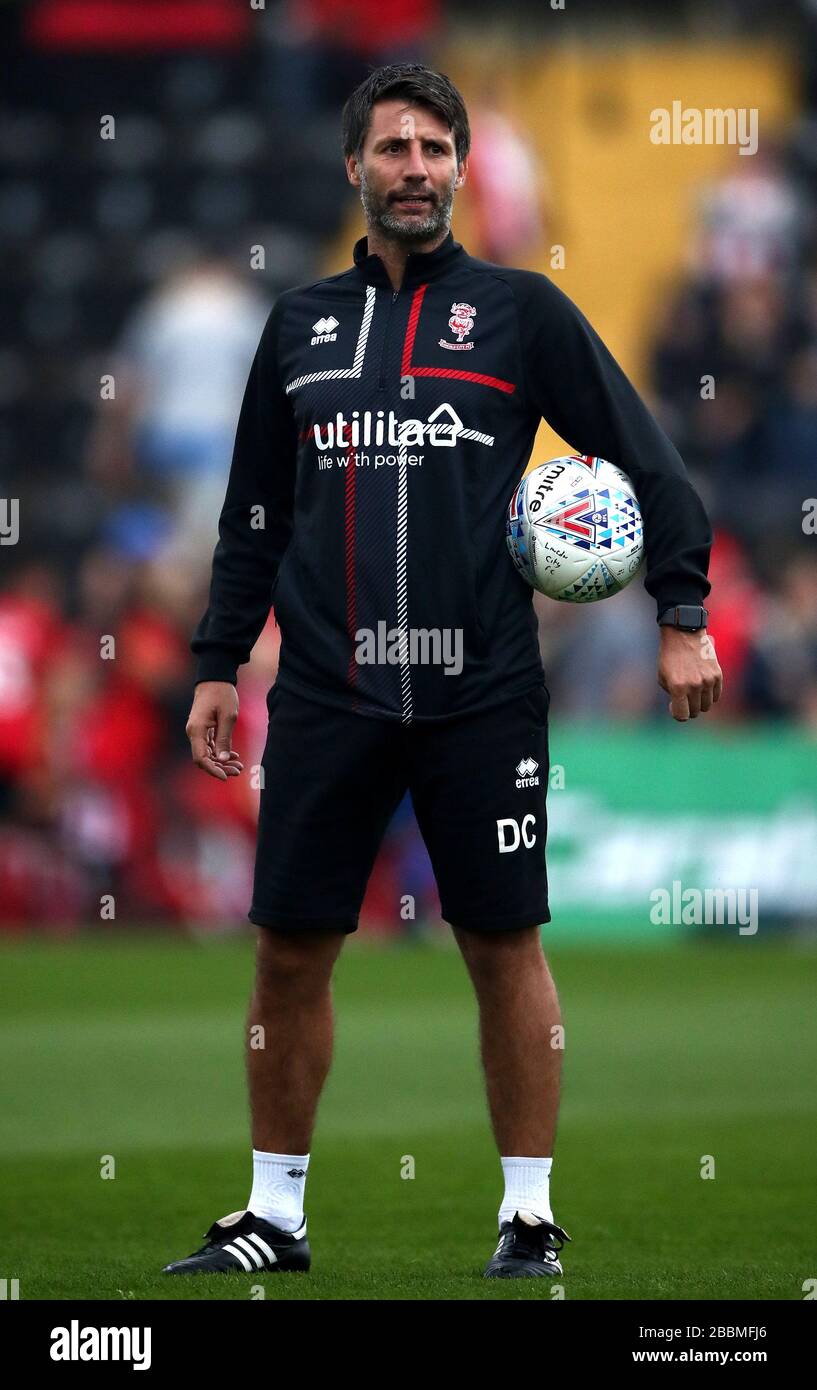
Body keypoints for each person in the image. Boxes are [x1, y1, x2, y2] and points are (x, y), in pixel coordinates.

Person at [166, 63, 723, 1281]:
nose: (413, 168)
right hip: (325, 688)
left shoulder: (523, 314)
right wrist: (219, 659)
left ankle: (527, 1215)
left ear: (463, 169)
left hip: (480, 690)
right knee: (291, 949)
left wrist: (680, 608)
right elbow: (252, 510)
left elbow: (646, 459)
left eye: (433, 148)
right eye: (391, 148)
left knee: (501, 942)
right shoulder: (297, 326)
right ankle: (274, 1215)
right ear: (353, 170)